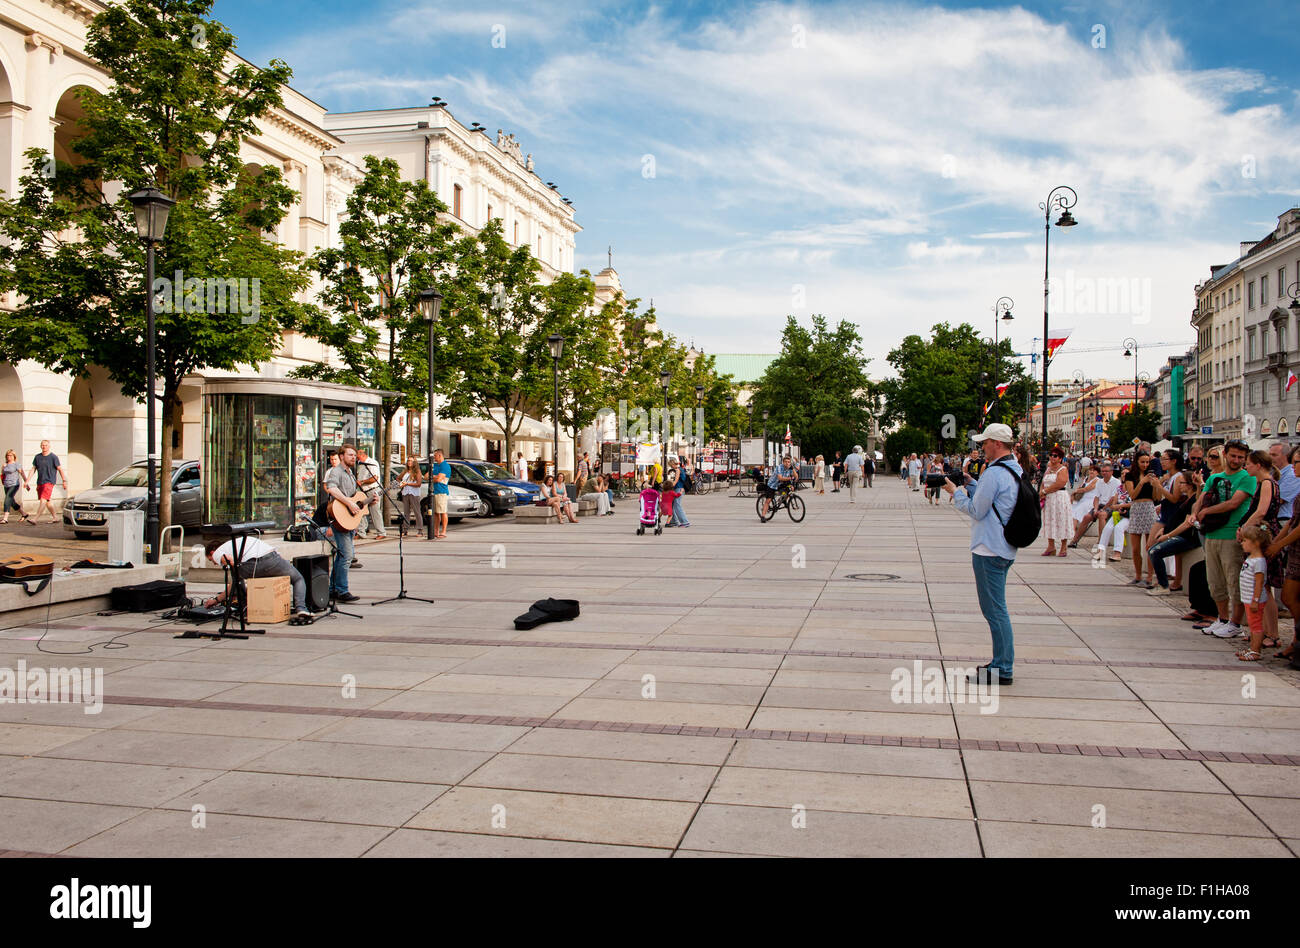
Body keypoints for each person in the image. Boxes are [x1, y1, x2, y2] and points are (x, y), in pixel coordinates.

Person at [943, 423, 1020, 686]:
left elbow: (977, 511)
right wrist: (973, 483)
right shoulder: (1014, 468)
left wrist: (956, 493)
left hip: (989, 547)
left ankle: (1003, 668)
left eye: (985, 442)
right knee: (997, 609)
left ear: (997, 444)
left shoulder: (995, 472)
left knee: (995, 610)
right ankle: (1001, 662)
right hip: (1004, 546)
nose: (981, 447)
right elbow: (995, 501)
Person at [1196, 440, 1256, 639]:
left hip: (1232, 534)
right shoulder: (1215, 478)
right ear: (1226, 455)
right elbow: (1202, 498)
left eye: (1241, 457)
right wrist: (1196, 513)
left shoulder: (1247, 478)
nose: (1237, 460)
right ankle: (1222, 619)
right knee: (1215, 581)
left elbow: (1234, 503)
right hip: (1212, 533)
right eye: (1233, 456)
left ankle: (1235, 623)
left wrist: (1206, 511)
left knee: (1233, 581)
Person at [204, 534, 312, 623]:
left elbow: (230, 563)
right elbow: (280, 558)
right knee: (298, 579)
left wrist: (216, 600)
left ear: (212, 553)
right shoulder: (235, 543)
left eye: (211, 560)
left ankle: (250, 605)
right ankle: (301, 608)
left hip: (249, 566)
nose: (214, 563)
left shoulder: (217, 552)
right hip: (271, 560)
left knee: (237, 580)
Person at [1238, 450, 1282, 646]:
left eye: (1247, 463)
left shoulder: (1266, 483)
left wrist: (1245, 528)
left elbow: (1262, 510)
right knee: (1262, 584)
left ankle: (1272, 634)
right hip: (1260, 531)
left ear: (1258, 465)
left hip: (1263, 534)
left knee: (1264, 584)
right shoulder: (1264, 483)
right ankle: (1262, 631)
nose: (1245, 467)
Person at [1265, 444, 1300, 661]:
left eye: (1296, 462)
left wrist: (1278, 544)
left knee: (1290, 597)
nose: (1293, 466)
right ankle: (1297, 641)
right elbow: (1293, 522)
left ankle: (1297, 641)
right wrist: (1276, 541)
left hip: (1298, 548)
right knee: (1289, 597)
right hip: (1295, 549)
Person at [321, 444, 363, 603]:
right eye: (350, 455)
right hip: (339, 517)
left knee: (341, 556)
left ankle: (333, 589)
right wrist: (349, 503)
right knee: (347, 555)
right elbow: (331, 489)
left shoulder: (351, 473)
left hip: (348, 518)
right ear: (341, 456)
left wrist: (369, 500)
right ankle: (342, 590)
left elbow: (353, 497)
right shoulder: (336, 471)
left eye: (354, 455)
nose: (354, 457)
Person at [1235, 524, 1272, 662]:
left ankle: (1256, 651)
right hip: (1248, 598)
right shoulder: (1251, 558)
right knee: (1252, 624)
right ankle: (1252, 647)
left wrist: (1255, 600)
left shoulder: (1259, 562)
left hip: (1254, 599)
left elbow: (1259, 582)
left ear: (1256, 543)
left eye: (1245, 540)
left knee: (1256, 625)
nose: (1242, 543)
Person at [1123, 452, 1159, 586]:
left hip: (1149, 508)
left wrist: (1156, 485)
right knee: (1136, 548)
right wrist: (1142, 482)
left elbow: (1156, 497)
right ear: (1137, 462)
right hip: (1137, 508)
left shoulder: (1152, 476)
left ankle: (1150, 576)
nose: (1145, 465)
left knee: (1150, 546)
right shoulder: (1130, 475)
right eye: (1142, 462)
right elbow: (1132, 495)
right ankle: (1137, 575)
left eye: (1147, 462)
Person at [1039, 447, 1071, 556]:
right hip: (1049, 498)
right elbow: (1043, 481)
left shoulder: (1063, 469)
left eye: (1055, 456)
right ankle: (1051, 545)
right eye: (1051, 455)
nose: (1052, 457)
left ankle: (1063, 546)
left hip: (1059, 497)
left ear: (1060, 458)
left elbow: (1060, 483)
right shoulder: (1048, 469)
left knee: (1062, 520)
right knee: (1049, 520)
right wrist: (1041, 492)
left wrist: (1045, 491)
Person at [26, 440, 67, 524]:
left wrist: (64, 481)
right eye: (43, 445)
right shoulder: (37, 457)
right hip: (40, 482)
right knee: (47, 501)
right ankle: (55, 517)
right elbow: (33, 469)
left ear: (49, 446)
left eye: (46, 445)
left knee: (43, 500)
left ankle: (35, 519)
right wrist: (27, 481)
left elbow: (60, 469)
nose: (44, 446)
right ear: (40, 446)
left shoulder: (53, 457)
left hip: (49, 482)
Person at [354, 448, 387, 539]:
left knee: (375, 511)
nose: (357, 459)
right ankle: (361, 532)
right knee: (361, 511)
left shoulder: (372, 463)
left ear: (363, 455)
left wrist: (362, 482)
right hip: (362, 491)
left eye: (358, 457)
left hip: (372, 490)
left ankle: (381, 532)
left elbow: (374, 478)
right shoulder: (360, 465)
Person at [428, 448, 452, 538]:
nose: (434, 457)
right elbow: (426, 476)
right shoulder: (435, 465)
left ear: (440, 455)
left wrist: (433, 477)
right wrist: (434, 476)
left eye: (435, 455)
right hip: (434, 491)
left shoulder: (445, 466)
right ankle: (436, 531)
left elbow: (439, 479)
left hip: (442, 491)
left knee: (443, 512)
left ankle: (444, 531)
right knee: (436, 513)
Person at [2, 450, 31, 524]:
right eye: (8, 455)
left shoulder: (16, 464)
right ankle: (24, 514)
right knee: (12, 502)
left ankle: (5, 518)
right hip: (6, 485)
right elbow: (2, 474)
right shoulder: (5, 464)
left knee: (7, 499)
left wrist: (26, 483)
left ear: (14, 456)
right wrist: (3, 468)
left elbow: (22, 473)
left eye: (11, 455)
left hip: (14, 485)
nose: (9, 457)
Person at [398, 456, 425, 537]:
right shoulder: (405, 471)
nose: (409, 462)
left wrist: (407, 484)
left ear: (414, 463)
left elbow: (418, 484)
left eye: (411, 461)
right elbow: (398, 478)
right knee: (406, 512)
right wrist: (401, 483)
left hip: (414, 493)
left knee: (417, 511)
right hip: (405, 493)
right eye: (408, 461)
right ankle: (405, 529)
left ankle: (420, 530)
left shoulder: (417, 471)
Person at [667, 461, 691, 527]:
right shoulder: (680, 469)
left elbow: (676, 480)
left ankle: (685, 522)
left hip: (679, 488)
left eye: (671, 465)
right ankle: (674, 521)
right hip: (677, 488)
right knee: (672, 505)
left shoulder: (678, 470)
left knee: (677, 505)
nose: (671, 467)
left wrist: (668, 487)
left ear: (673, 464)